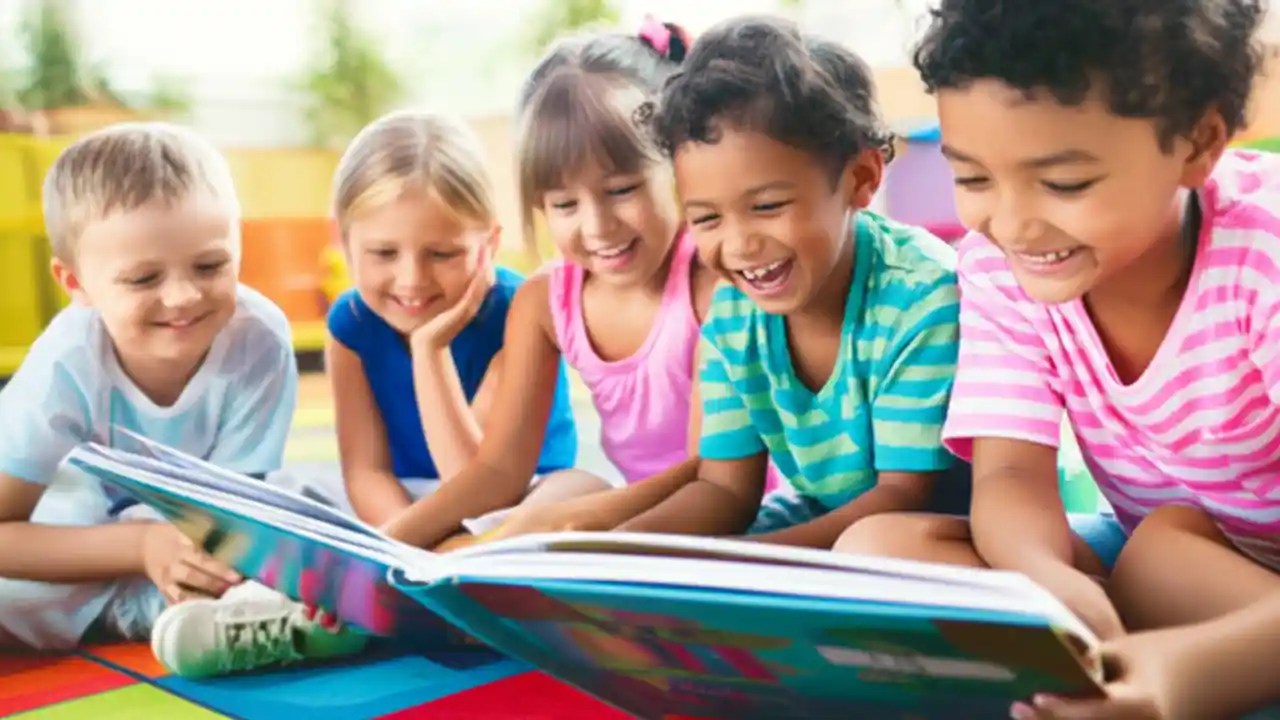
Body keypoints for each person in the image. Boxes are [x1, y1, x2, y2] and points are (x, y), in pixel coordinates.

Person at [834, 1, 1280, 717]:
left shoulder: (1265, 256)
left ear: (1199, 144)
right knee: (878, 552)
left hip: (1222, 578)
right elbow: (1011, 472)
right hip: (1147, 558)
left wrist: (1185, 677)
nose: (1011, 223)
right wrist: (1050, 581)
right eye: (974, 178)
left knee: (1163, 554)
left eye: (1065, 184)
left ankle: (1184, 671)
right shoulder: (998, 268)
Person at [561, 15, 962, 550]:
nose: (740, 245)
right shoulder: (733, 315)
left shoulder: (920, 295)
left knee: (858, 544)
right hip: (825, 522)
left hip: (937, 535)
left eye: (767, 207)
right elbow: (724, 489)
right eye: (707, 219)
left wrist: (757, 562)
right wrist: (623, 549)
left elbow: (903, 495)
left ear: (860, 179)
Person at [0, 123, 356, 674]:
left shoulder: (258, 338)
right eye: (144, 279)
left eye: (210, 266)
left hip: (189, 538)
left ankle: (232, 616)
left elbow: (236, 511)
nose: (184, 296)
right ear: (75, 282)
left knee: (320, 525)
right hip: (71, 546)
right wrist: (143, 545)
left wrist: (212, 561)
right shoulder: (64, 366)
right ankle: (209, 613)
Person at [382, 20, 732, 550]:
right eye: (564, 204)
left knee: (549, 518)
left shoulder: (713, 289)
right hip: (627, 505)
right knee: (561, 487)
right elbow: (499, 472)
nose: (597, 226)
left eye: (620, 190)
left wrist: (562, 524)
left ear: (678, 167)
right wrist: (387, 543)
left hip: (725, 519)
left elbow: (708, 475)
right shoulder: (547, 301)